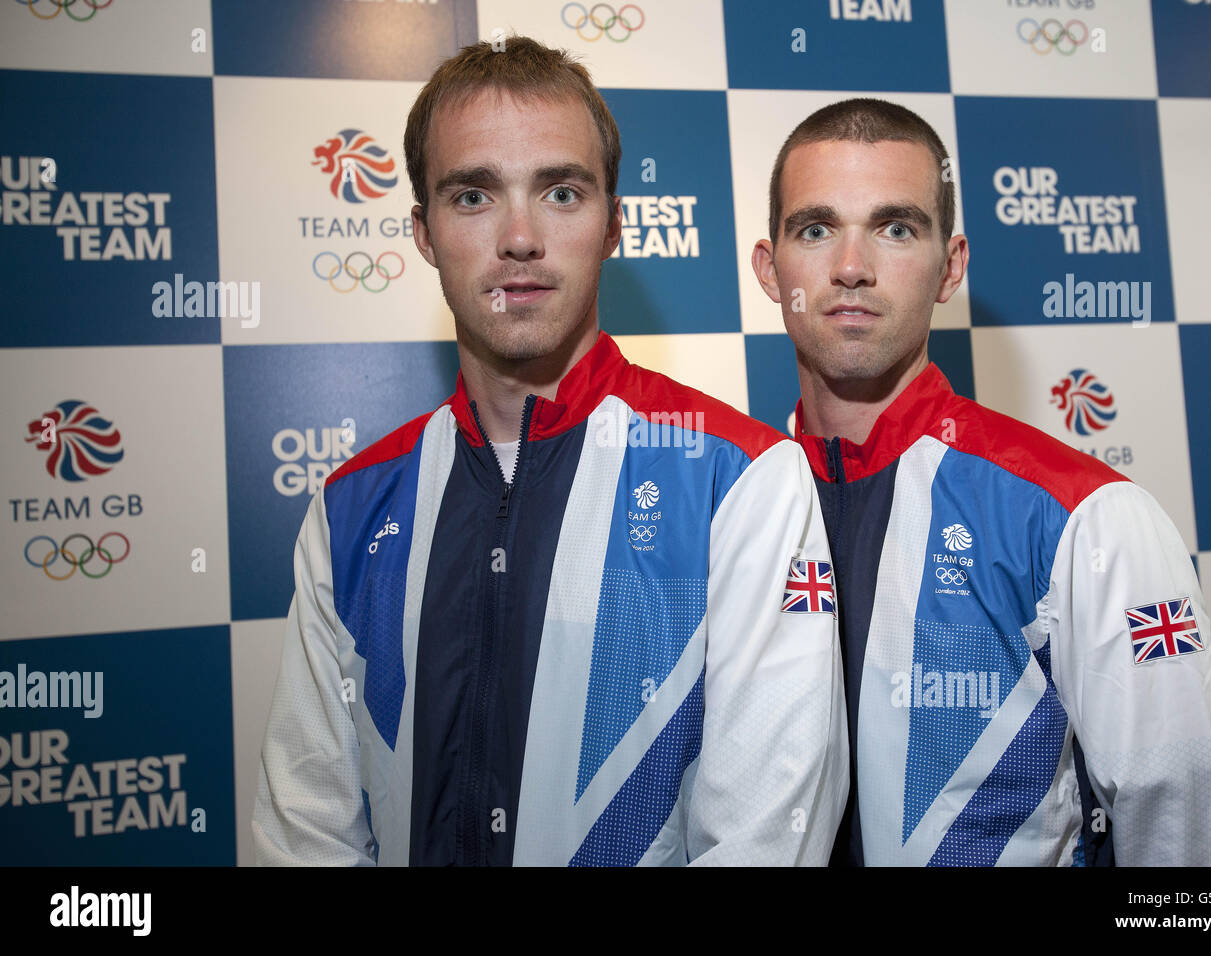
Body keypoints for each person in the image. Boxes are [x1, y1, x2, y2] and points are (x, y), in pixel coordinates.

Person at [253, 36, 848, 866]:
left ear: (613, 225)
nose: (521, 237)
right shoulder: (351, 507)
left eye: (562, 192)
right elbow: (307, 833)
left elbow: (761, 844)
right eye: (473, 196)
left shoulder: (740, 480)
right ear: (423, 232)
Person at [750, 97, 1211, 866]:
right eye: (816, 228)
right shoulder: (730, 513)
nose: (851, 268)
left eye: (896, 228)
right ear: (772, 271)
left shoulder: (1083, 516)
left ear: (951, 267)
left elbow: (1209, 868)